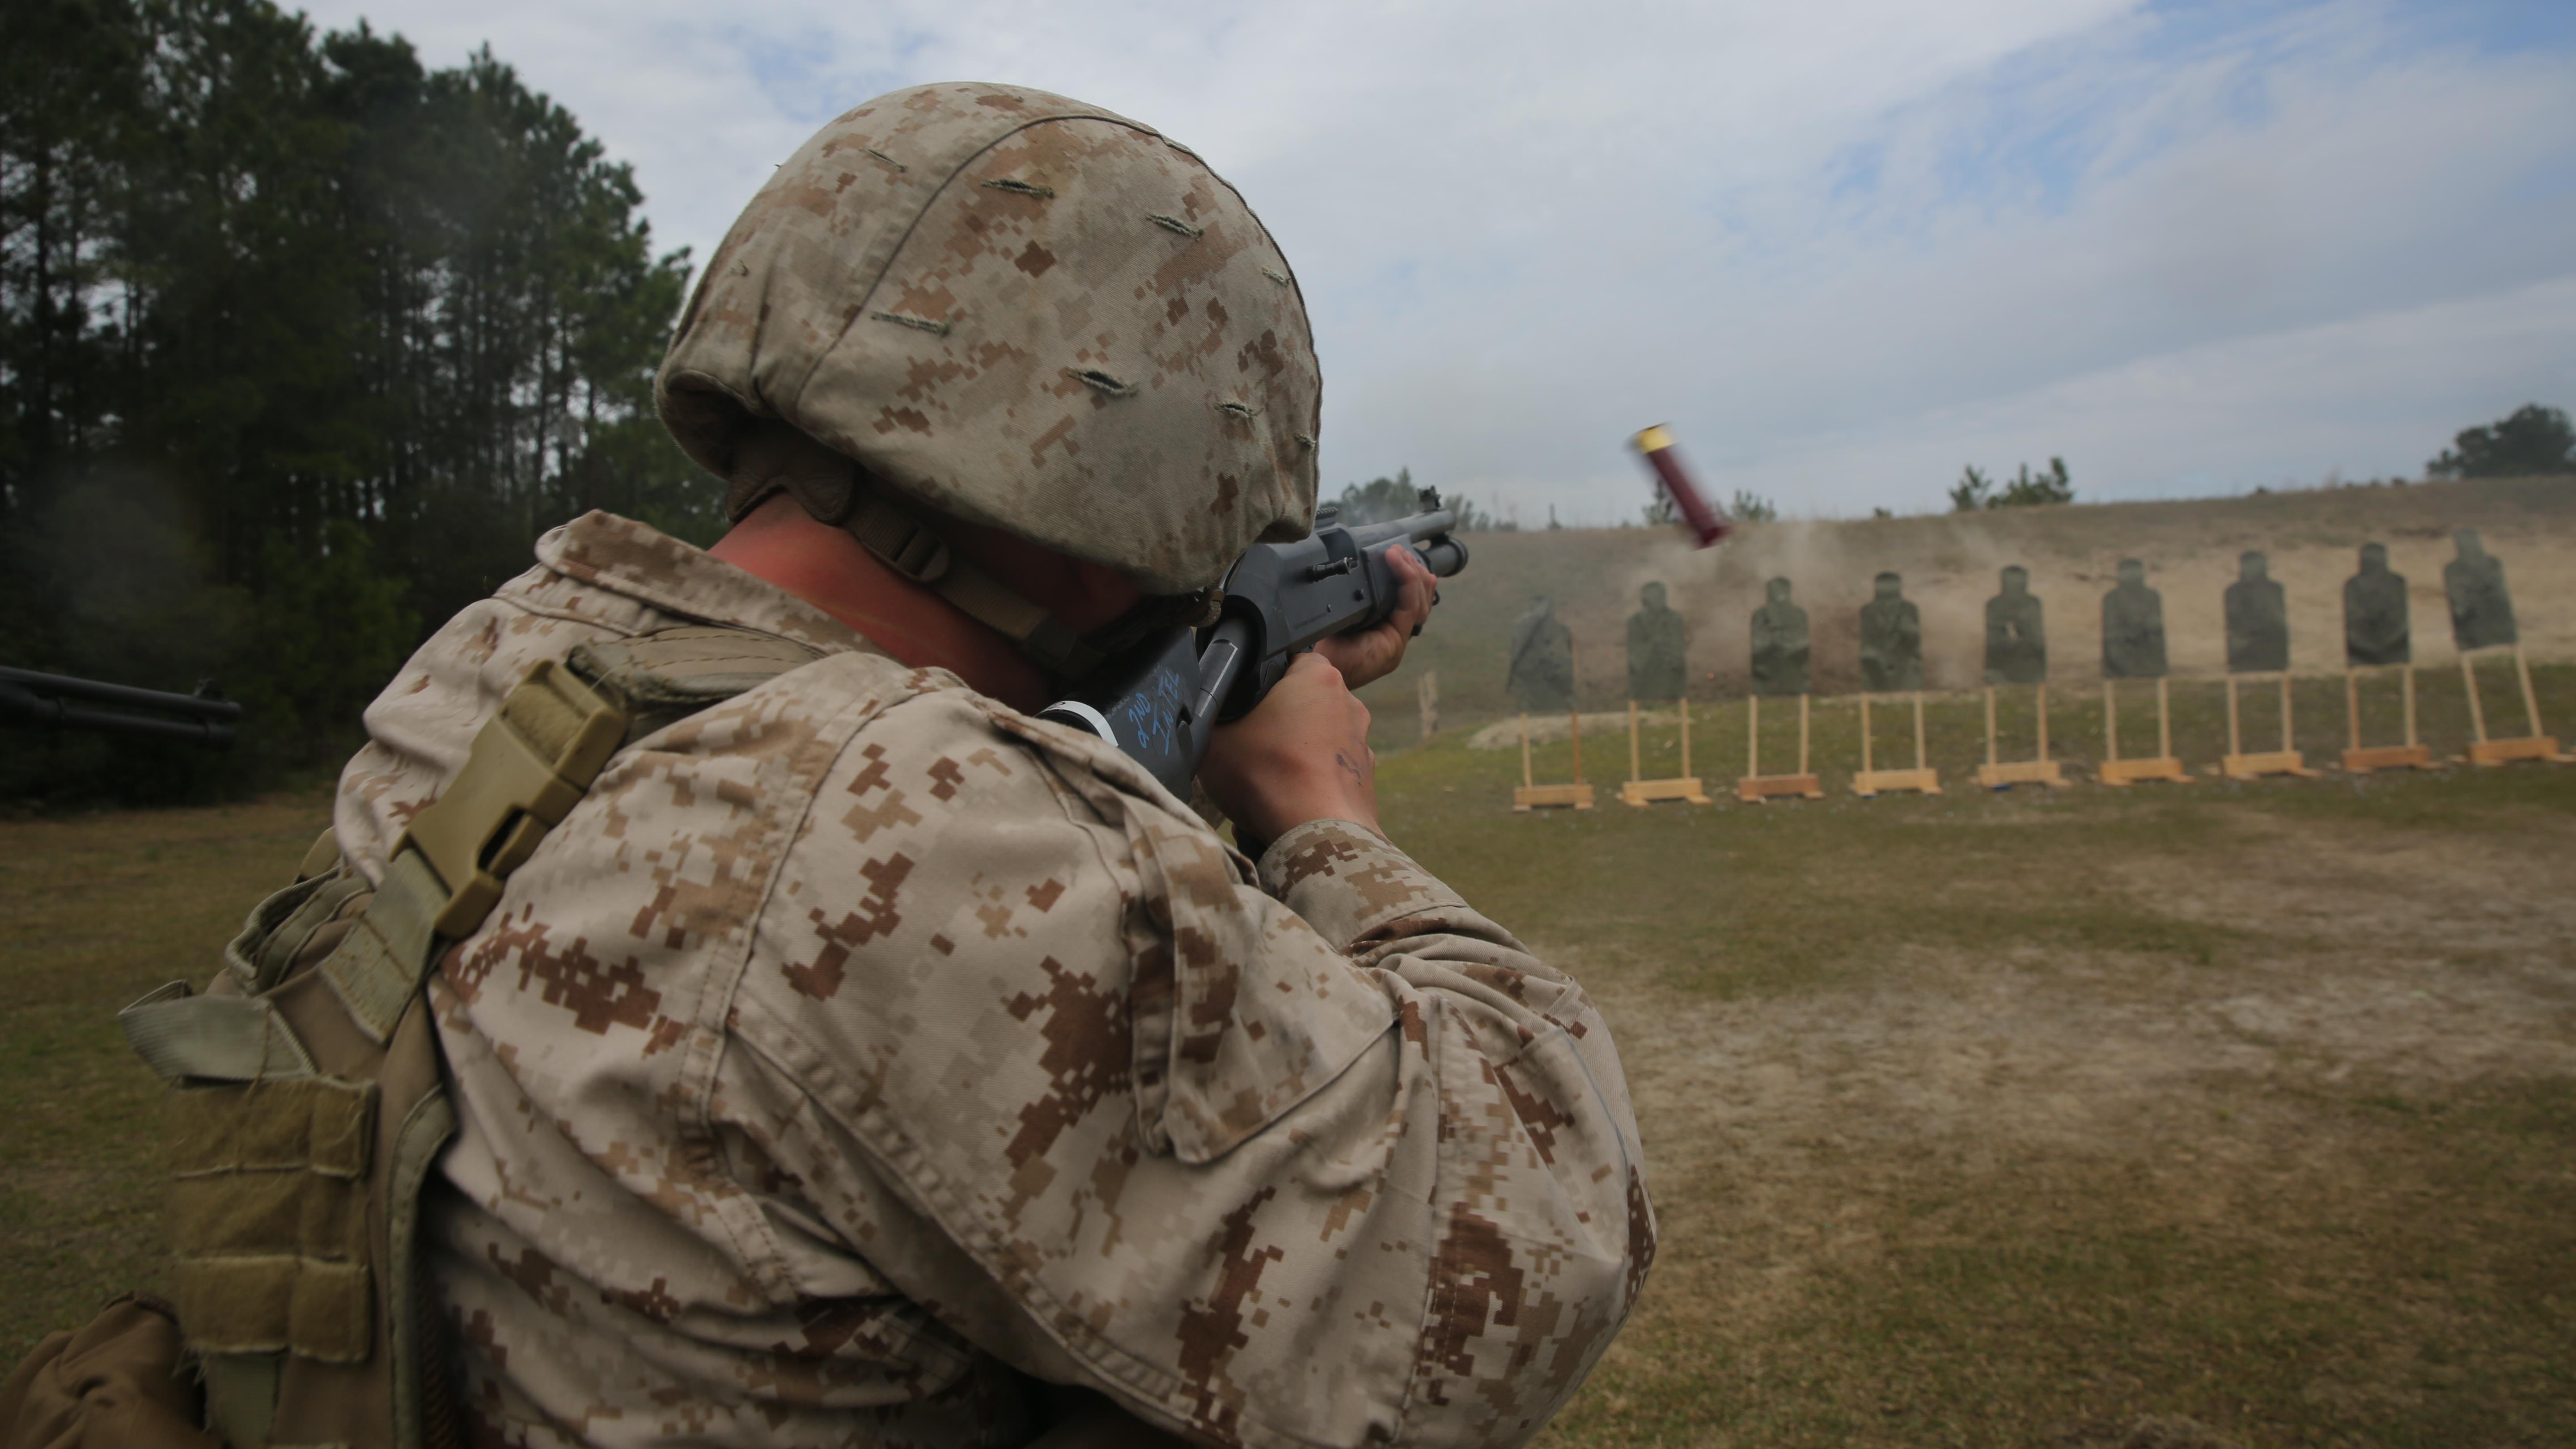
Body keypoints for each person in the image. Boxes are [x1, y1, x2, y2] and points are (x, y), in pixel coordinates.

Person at [326, 84, 1651, 1449]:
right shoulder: (892, 820)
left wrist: (1193, 713)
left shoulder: (497, 670)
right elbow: (1540, 1233)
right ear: (1121, 484)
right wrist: (1322, 809)